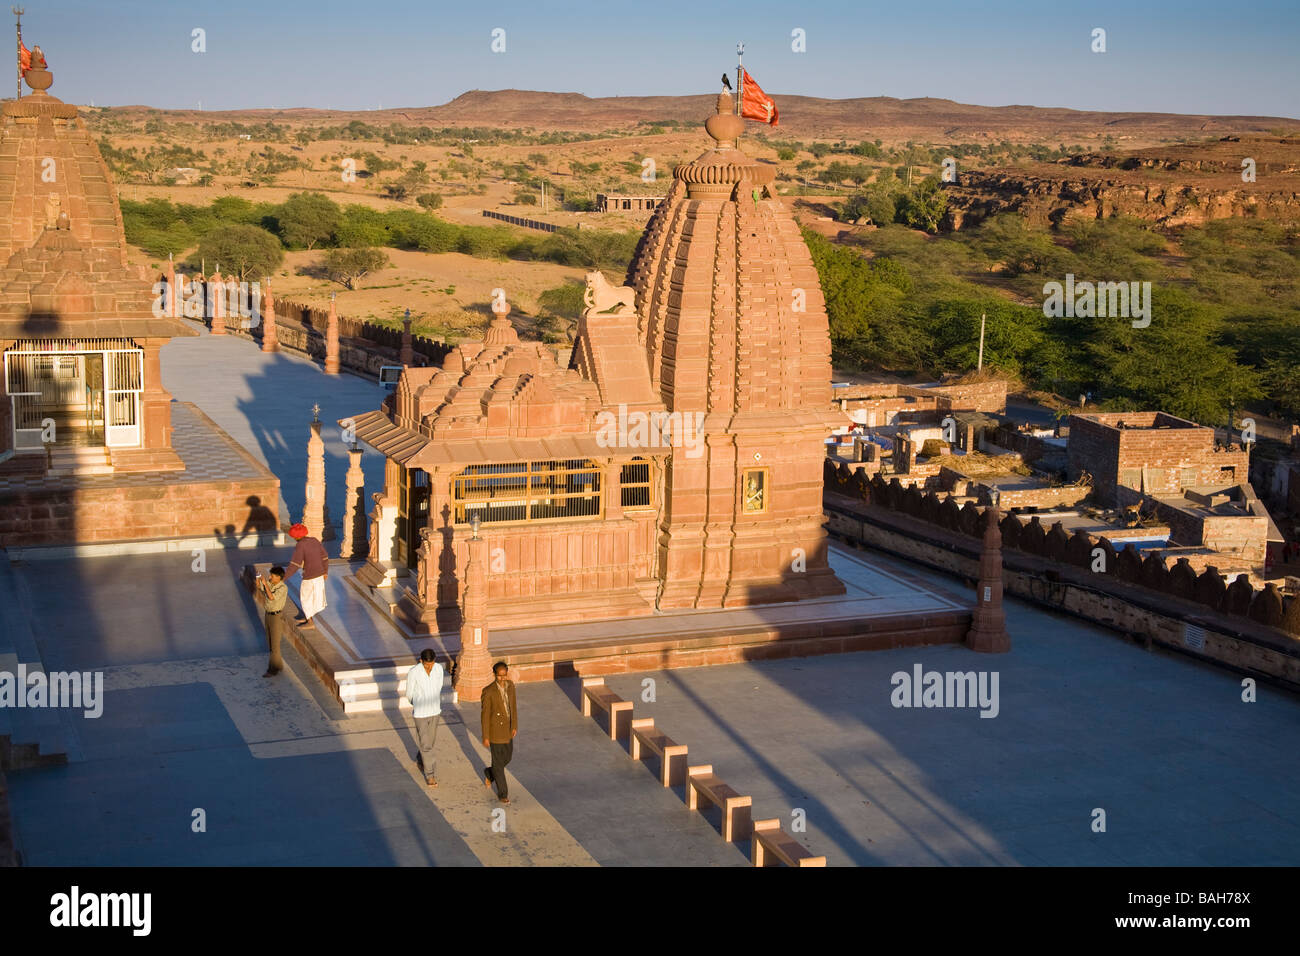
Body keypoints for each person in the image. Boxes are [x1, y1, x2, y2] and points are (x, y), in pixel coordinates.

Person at [405, 649, 445, 788]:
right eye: (427, 665)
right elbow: (409, 693)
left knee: (430, 741)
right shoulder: (413, 672)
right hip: (420, 713)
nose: (430, 667)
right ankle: (430, 775)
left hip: (435, 710)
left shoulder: (439, 669)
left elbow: (439, 687)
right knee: (426, 745)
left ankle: (420, 760)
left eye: (432, 664)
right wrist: (416, 703)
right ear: (421, 661)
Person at [480, 661, 518, 804]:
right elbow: (484, 716)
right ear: (494, 675)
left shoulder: (511, 687)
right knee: (498, 762)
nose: (502, 678)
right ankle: (503, 793)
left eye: (504, 675)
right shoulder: (488, 691)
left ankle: (489, 773)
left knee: (507, 758)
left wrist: (514, 725)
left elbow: (513, 707)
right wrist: (486, 736)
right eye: (499, 676)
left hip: (508, 730)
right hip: (495, 731)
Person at [284, 523, 328, 627]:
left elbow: (295, 564)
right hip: (320, 574)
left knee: (306, 598)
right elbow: (325, 557)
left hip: (310, 575)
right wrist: (325, 571)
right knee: (313, 597)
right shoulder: (314, 540)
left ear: (296, 537)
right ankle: (308, 616)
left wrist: (283, 578)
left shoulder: (300, 545)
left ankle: (310, 622)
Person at [257, 566, 288, 677]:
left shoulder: (282, 588)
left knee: (275, 645)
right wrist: (258, 578)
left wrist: (265, 584)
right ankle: (279, 665)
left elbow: (271, 597)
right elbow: (259, 587)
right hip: (268, 615)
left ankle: (272, 670)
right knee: (270, 643)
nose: (270, 577)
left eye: (273, 576)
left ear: (279, 577)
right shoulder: (271, 583)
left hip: (276, 617)